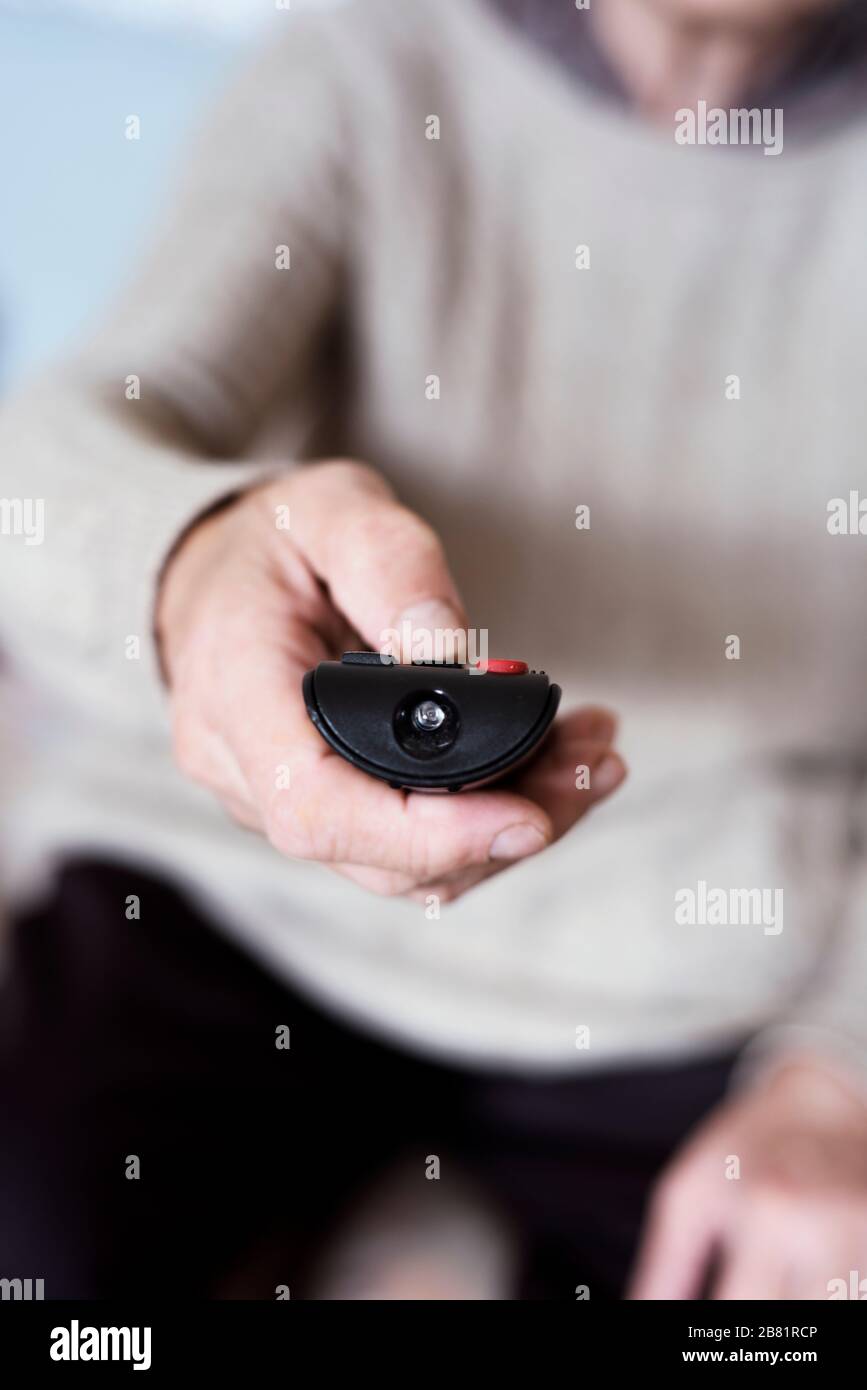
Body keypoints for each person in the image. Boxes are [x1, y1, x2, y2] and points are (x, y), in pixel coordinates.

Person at [1, 0, 867, 1300]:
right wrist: (187, 564)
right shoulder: (372, 57)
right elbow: (66, 444)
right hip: (234, 891)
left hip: (705, 976)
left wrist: (843, 1073)